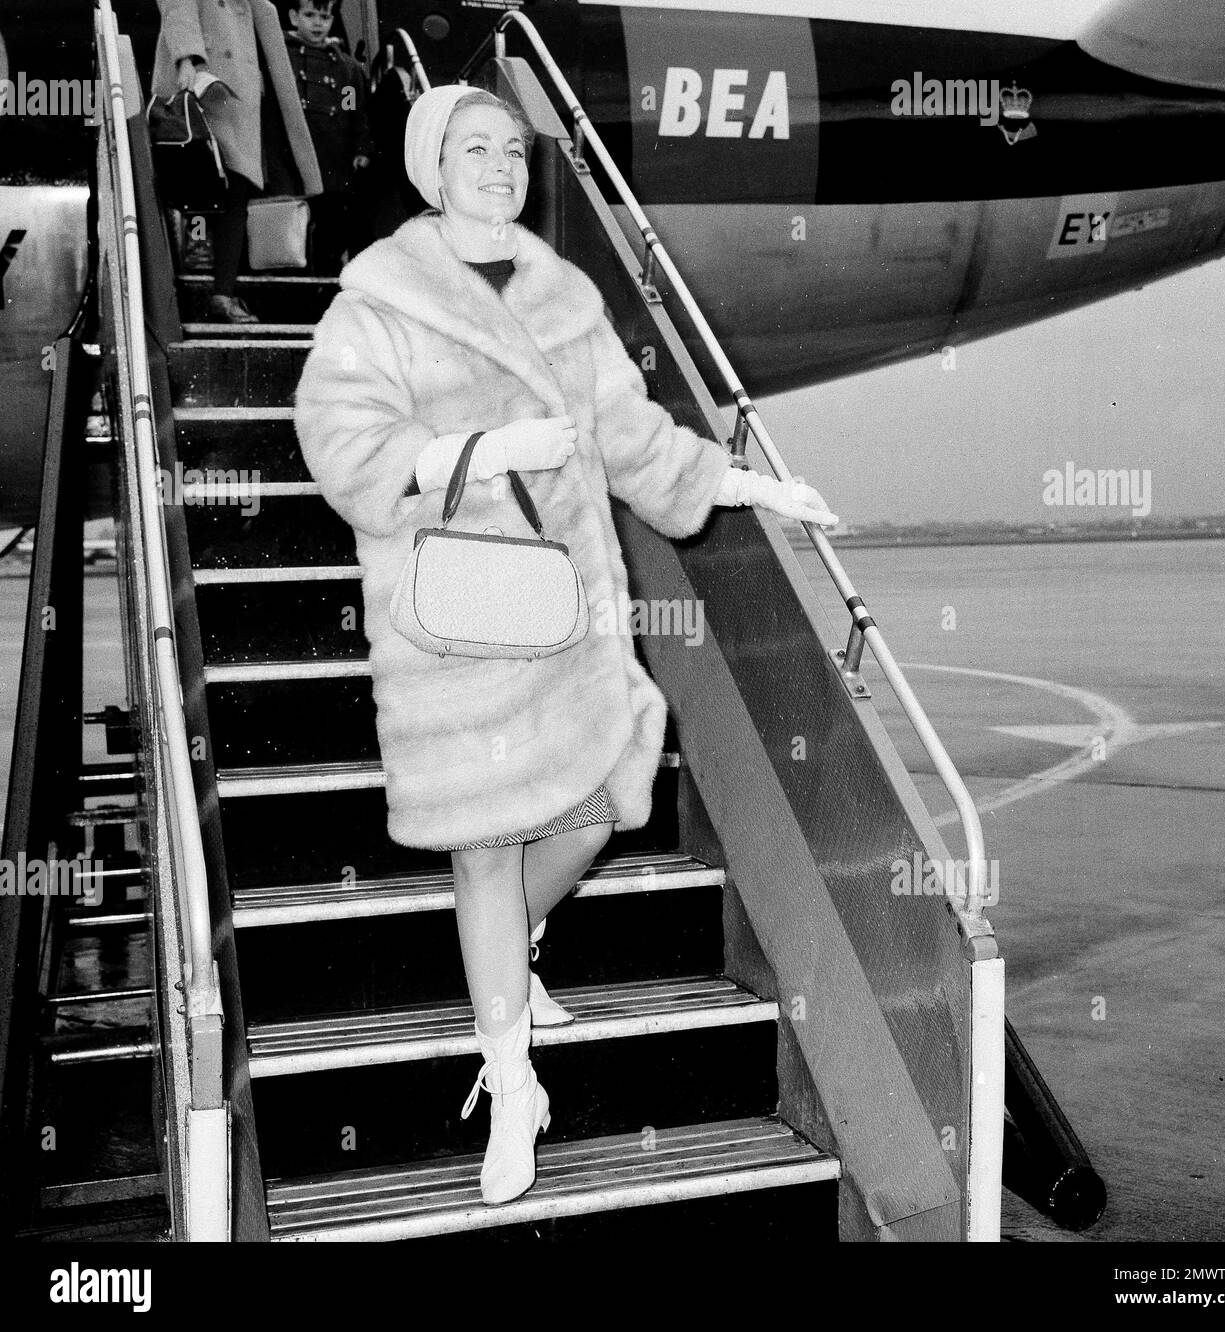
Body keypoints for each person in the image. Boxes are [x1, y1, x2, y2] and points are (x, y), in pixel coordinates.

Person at [292, 85, 837, 1207]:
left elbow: (631, 433)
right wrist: (482, 452)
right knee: (484, 850)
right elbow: (342, 447)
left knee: (600, 802)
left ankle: (512, 950)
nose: (498, 166)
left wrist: (743, 483)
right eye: (471, 149)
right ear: (428, 168)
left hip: (570, 614)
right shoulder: (378, 301)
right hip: (459, 619)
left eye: (510, 149)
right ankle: (511, 1081)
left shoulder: (564, 295)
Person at [153, 0, 323, 321]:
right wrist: (187, 60)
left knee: (235, 197)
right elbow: (178, 7)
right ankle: (216, 294)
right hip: (207, 88)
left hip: (233, 94)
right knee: (210, 192)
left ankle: (223, 294)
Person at [284, 0, 372, 272]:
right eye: (310, 15)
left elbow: (352, 111)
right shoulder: (278, 57)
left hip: (332, 161)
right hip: (289, 160)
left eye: (325, 16)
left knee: (330, 229)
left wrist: (361, 148)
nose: (318, 23)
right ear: (294, 16)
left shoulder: (346, 68)